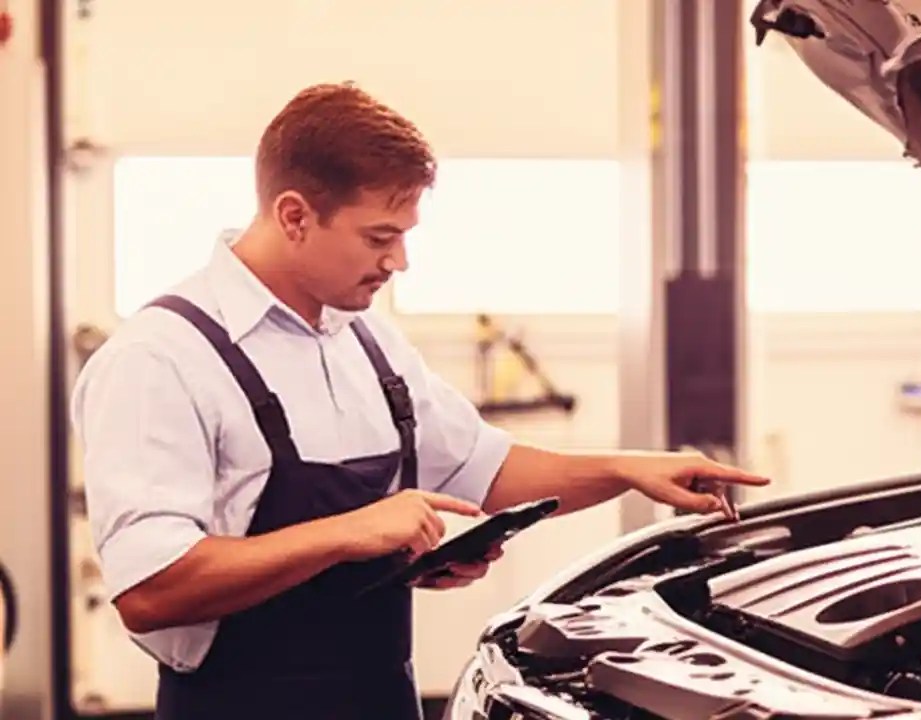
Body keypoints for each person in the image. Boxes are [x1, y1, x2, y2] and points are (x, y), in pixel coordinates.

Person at [70, 82, 769, 720]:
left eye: (405, 235)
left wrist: (631, 470)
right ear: (294, 216)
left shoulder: (367, 340)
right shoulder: (159, 359)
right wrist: (356, 532)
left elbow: (483, 469)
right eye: (380, 236)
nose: (399, 261)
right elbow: (151, 588)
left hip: (381, 698)